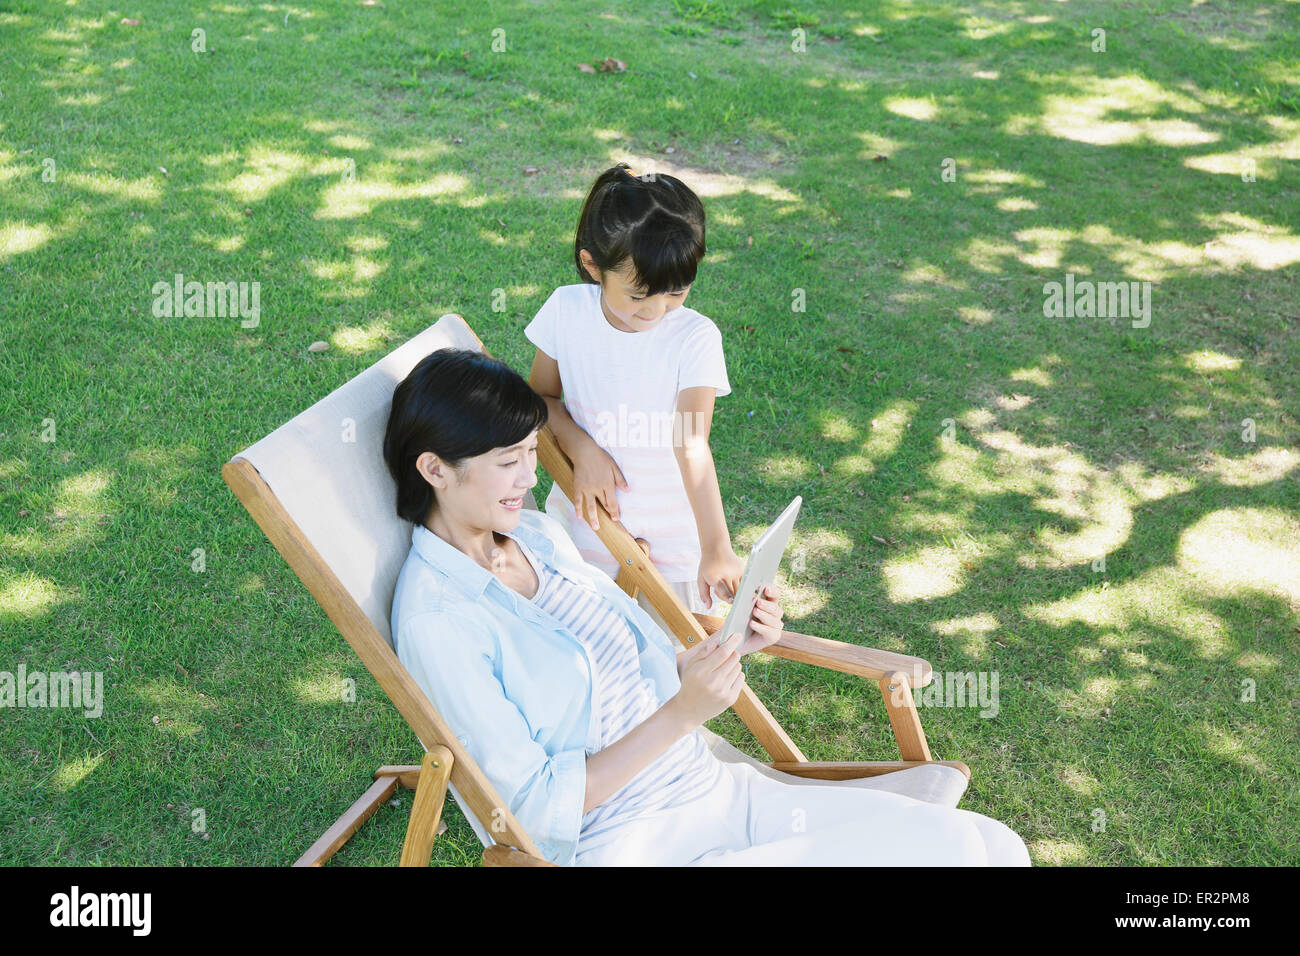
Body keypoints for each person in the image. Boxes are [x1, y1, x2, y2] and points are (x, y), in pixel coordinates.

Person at [385, 348, 1031, 867]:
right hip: (640, 843)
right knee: (955, 852)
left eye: (532, 454)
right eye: (508, 462)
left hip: (718, 787)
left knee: (997, 846)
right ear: (435, 469)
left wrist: (727, 647)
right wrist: (684, 713)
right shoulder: (439, 621)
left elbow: (628, 660)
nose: (530, 478)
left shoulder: (531, 536)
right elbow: (528, 809)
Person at [524, 162, 745, 632]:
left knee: (673, 665)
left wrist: (716, 547)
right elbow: (538, 399)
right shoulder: (566, 311)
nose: (657, 310)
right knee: (582, 646)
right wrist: (583, 449)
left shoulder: (695, 338)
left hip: (674, 538)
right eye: (639, 295)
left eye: (676, 292)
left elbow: (691, 443)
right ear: (592, 265)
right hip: (586, 524)